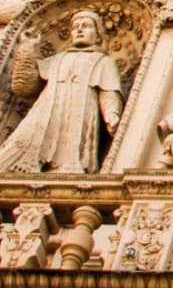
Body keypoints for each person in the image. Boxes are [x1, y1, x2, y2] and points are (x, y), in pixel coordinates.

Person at [0, 9, 124, 173]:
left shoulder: (103, 61)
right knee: (24, 142)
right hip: (45, 112)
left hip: (79, 112)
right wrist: (27, 47)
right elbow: (25, 87)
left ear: (98, 34)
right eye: (75, 27)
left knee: (70, 147)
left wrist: (112, 114)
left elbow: (108, 91)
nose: (79, 30)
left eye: (86, 26)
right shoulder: (57, 59)